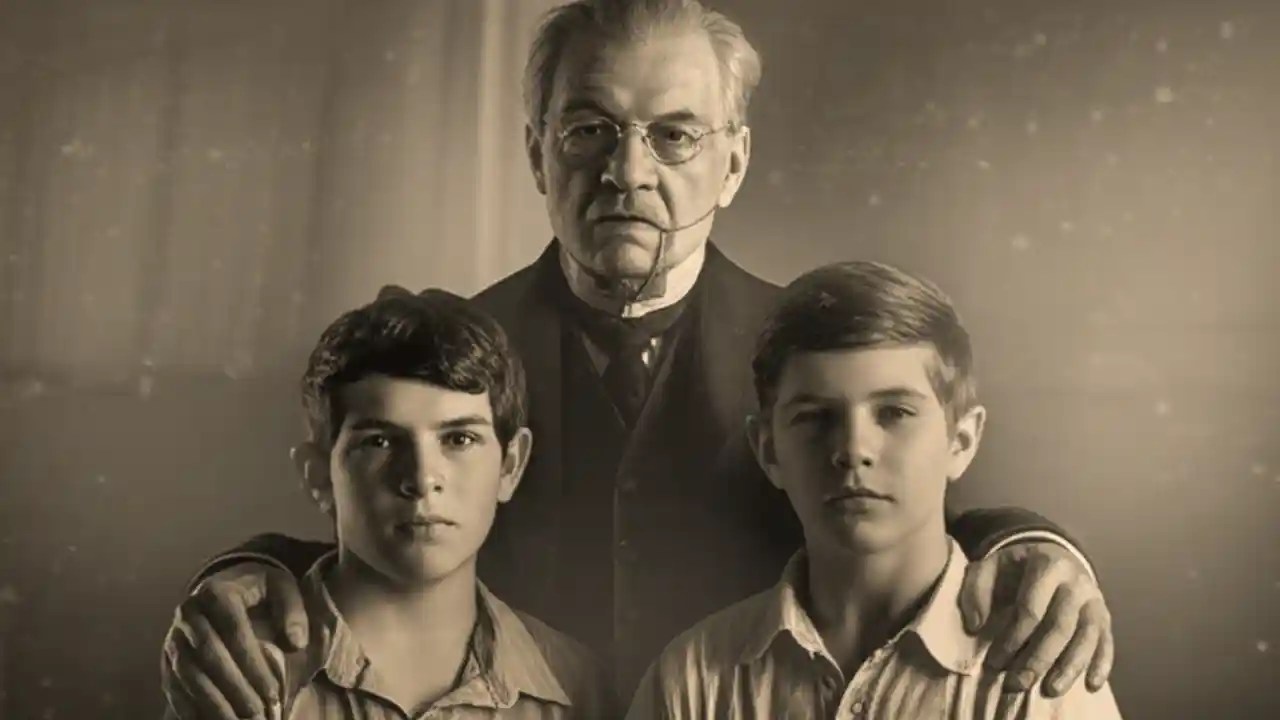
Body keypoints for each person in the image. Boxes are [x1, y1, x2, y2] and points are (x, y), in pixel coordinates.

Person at [160, 2, 1114, 718]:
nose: (627, 171)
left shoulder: (816, 354)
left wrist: (1031, 544)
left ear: (733, 163)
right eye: (588, 131)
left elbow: (910, 493)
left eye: (674, 134)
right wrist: (252, 569)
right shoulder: (451, 352)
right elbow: (370, 510)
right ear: (536, 154)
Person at [625, 261, 1123, 719]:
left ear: (962, 441)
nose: (853, 449)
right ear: (769, 450)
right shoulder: (690, 681)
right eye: (815, 417)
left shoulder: (1039, 679)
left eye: (895, 412)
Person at [166, 286, 612, 719]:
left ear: (510, 466)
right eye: (379, 441)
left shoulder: (575, 690)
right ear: (319, 474)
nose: (421, 479)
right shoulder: (244, 669)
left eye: (459, 438)